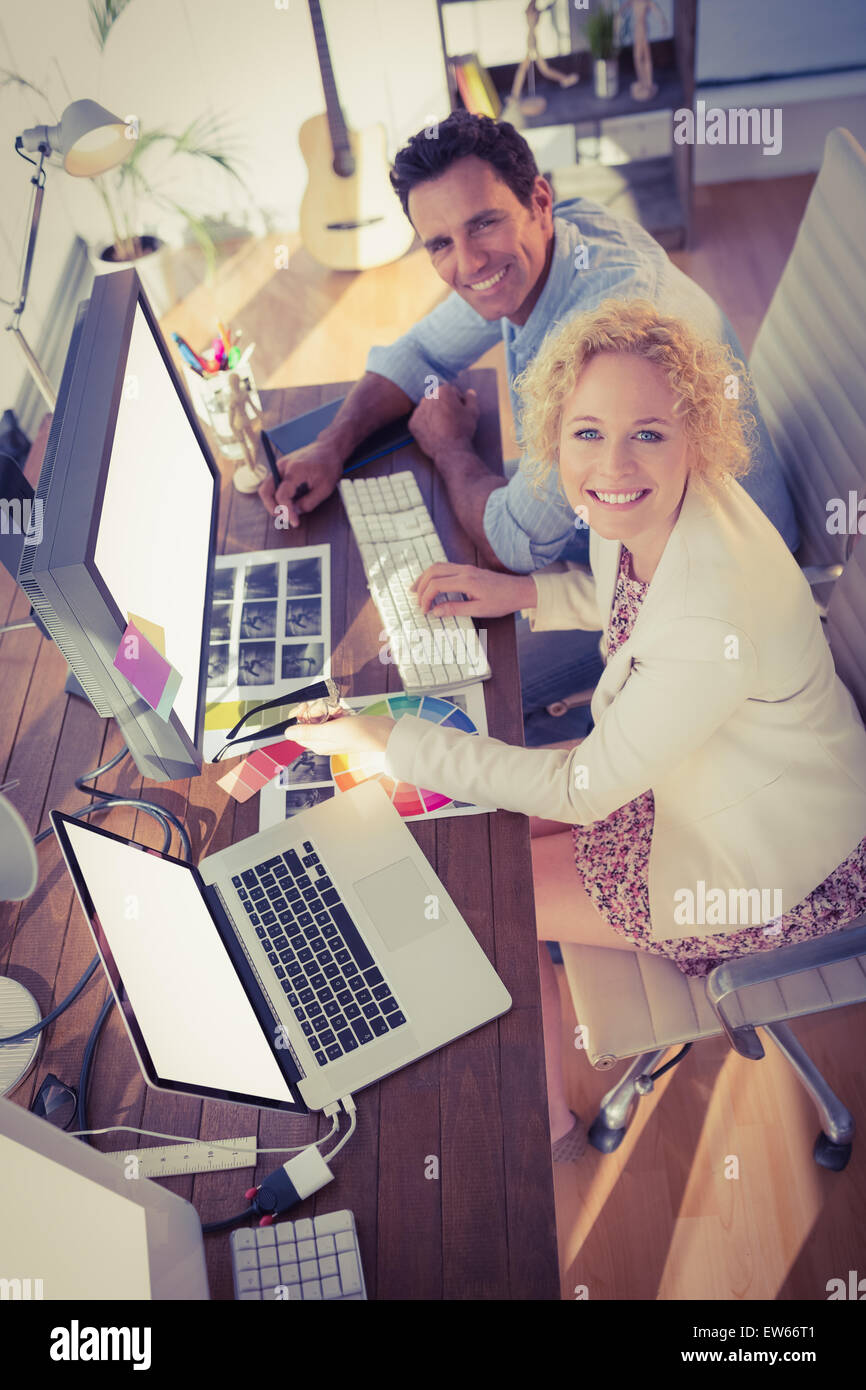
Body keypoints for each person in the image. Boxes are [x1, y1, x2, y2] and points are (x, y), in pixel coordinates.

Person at [288, 301, 866, 1161]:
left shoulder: (712, 612)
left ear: (695, 436)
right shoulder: (655, 507)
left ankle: (544, 1129)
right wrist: (527, 593)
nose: (612, 465)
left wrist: (386, 740)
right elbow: (630, 598)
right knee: (465, 829)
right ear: (556, 436)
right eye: (588, 433)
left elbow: (581, 787)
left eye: (647, 435)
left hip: (761, 860)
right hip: (696, 772)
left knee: (483, 889)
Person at [258, 111, 798, 746]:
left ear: (539, 202)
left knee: (441, 699)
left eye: (483, 223)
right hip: (625, 521)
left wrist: (449, 445)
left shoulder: (601, 342)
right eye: (440, 243)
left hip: (704, 593)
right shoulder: (554, 247)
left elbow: (511, 544)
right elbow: (417, 354)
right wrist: (330, 447)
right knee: (425, 550)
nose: (467, 262)